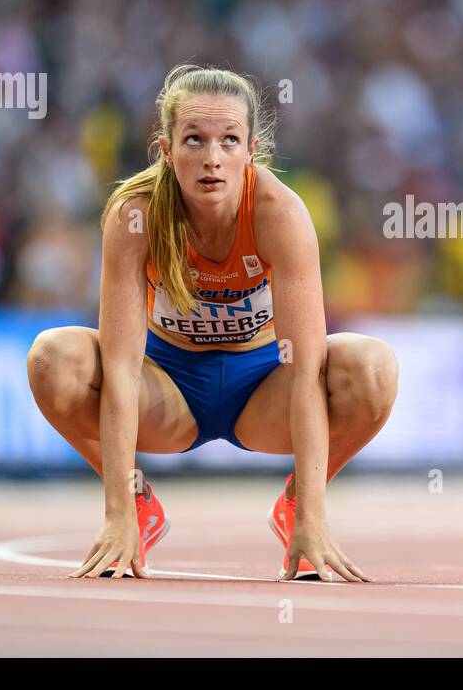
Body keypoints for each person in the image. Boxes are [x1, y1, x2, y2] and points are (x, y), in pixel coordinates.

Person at [26, 64, 398, 581]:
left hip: (264, 390)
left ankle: (294, 508)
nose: (211, 160)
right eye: (194, 141)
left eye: (228, 142)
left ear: (252, 150)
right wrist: (118, 509)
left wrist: (314, 516)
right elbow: (121, 367)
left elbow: (308, 371)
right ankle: (141, 506)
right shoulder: (134, 215)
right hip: (168, 389)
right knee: (52, 357)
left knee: (374, 366)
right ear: (165, 148)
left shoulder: (280, 215)